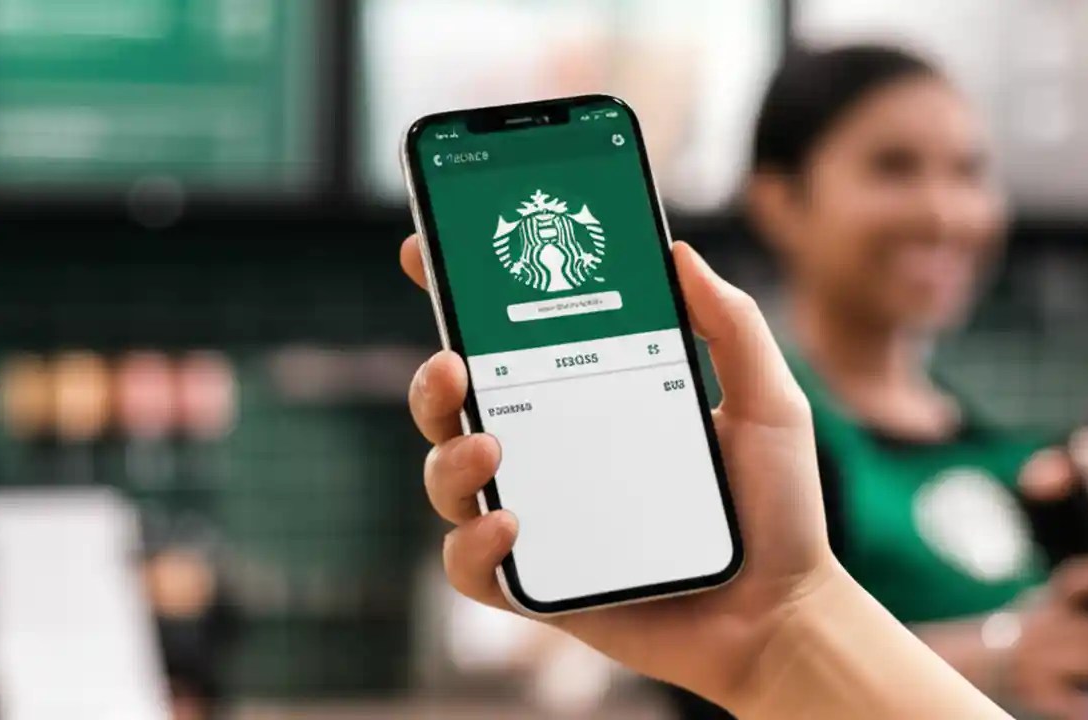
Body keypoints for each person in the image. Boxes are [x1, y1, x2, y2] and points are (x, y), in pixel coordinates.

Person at [399, 234, 1017, 718]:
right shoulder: (808, 436)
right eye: (893, 167)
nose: (941, 212)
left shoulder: (997, 443)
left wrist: (782, 631)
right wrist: (779, 633)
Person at [715, 45, 1088, 717]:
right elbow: (719, 680)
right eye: (893, 168)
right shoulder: (752, 436)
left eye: (969, 172)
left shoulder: (1009, 449)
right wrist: (1003, 659)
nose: (945, 213)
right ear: (780, 201)